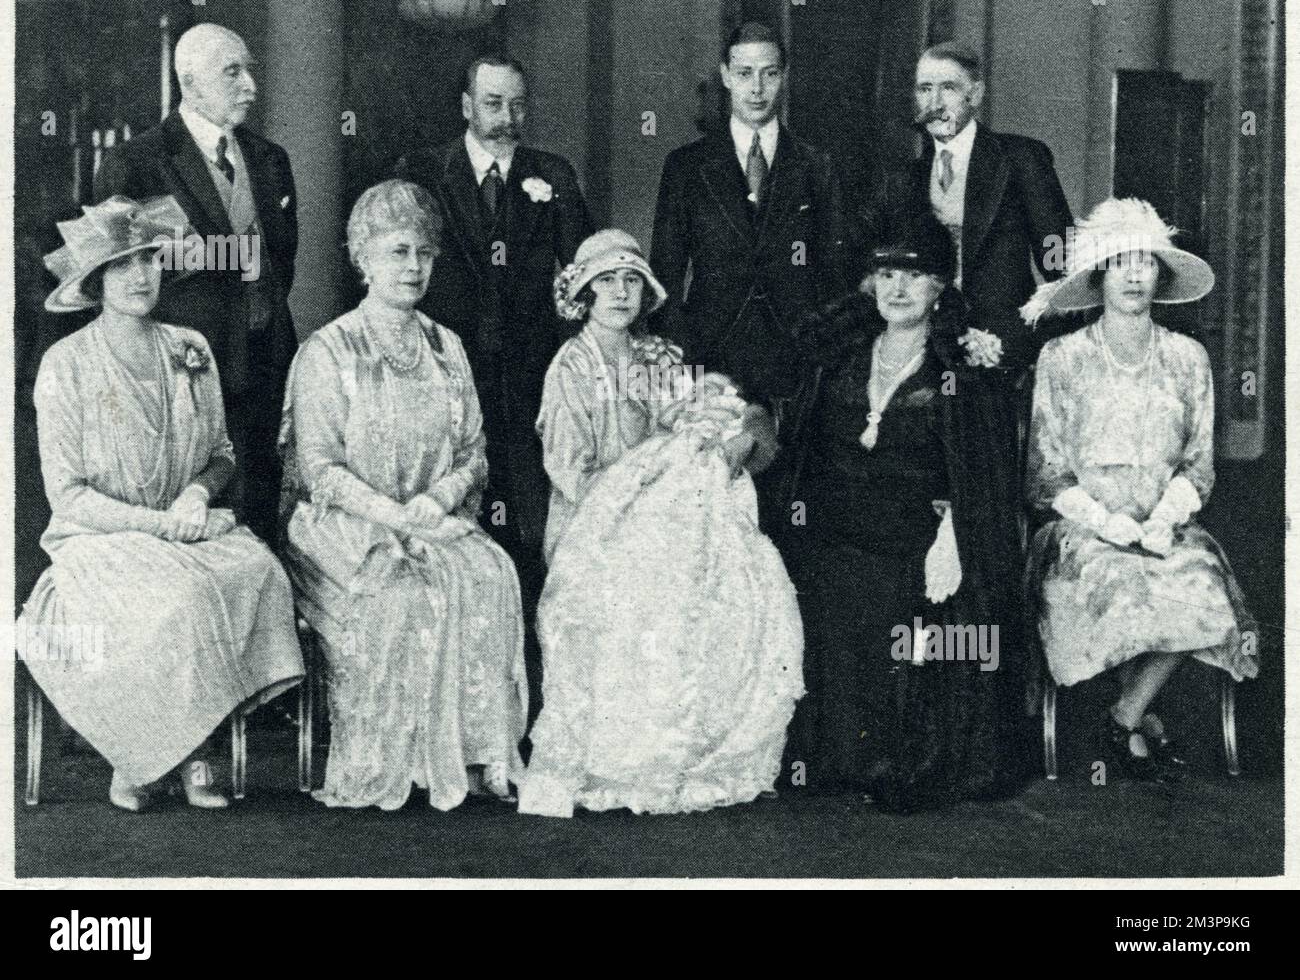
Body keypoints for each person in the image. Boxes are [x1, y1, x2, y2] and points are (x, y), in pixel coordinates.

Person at [16, 195, 304, 811]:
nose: (141, 275)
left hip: (184, 526)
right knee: (178, 596)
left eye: (149, 259)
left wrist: (199, 493)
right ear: (95, 281)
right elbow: (66, 496)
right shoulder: (64, 366)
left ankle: (200, 743)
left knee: (260, 572)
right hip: (99, 539)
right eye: (123, 266)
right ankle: (145, 754)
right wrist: (160, 525)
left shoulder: (188, 346)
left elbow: (224, 450)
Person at [517, 230, 804, 817]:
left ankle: (697, 745)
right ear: (583, 294)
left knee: (724, 566)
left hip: (670, 518)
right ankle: (625, 755)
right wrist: (639, 495)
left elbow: (695, 426)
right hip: (593, 523)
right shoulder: (570, 364)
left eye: (631, 282)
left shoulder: (662, 356)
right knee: (647, 577)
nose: (621, 293)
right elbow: (570, 471)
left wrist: (715, 442)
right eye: (607, 282)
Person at [279, 180, 528, 811]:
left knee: (490, 574)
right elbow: (320, 469)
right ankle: (395, 761)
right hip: (344, 525)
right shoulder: (327, 349)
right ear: (362, 258)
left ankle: (478, 756)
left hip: (429, 516)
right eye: (397, 251)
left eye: (423, 252)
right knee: (402, 592)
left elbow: (475, 450)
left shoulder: (448, 347)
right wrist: (392, 516)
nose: (413, 266)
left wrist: (438, 501)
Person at [787, 209, 1027, 810]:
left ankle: (894, 760)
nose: (897, 288)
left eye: (914, 277)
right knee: (824, 592)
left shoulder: (958, 369)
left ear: (939, 288)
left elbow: (979, 474)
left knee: (907, 614)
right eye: (886, 274)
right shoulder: (841, 358)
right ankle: (840, 759)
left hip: (920, 541)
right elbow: (807, 460)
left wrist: (953, 537)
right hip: (840, 534)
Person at [1022, 197, 1259, 777]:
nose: (1133, 273)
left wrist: (1162, 519)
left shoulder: (1187, 358)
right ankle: (1139, 723)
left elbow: (1198, 464)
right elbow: (1046, 470)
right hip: (1083, 531)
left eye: (1146, 262)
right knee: (1124, 590)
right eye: (1120, 260)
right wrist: (1106, 523)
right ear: (1100, 275)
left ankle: (1123, 717)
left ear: (1162, 274)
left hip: (1167, 527)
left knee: (1202, 590)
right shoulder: (1063, 358)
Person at [394, 55, 594, 589]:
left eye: (518, 104)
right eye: (493, 103)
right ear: (466, 106)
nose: (508, 116)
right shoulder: (422, 172)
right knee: (451, 494)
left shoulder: (552, 174)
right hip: (446, 363)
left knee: (524, 501)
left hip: (528, 365)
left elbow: (583, 269)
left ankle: (521, 615)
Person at [95, 23, 298, 547]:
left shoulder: (272, 161)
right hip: (184, 374)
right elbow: (120, 281)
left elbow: (281, 263)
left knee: (264, 510)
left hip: (268, 362)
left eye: (250, 69)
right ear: (189, 81)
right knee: (193, 520)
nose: (251, 85)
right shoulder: (137, 163)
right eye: (233, 72)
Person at [650, 21, 851, 525]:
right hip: (712, 353)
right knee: (713, 499)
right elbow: (665, 277)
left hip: (796, 354)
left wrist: (822, 347)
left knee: (793, 498)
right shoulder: (687, 166)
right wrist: (683, 359)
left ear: (785, 78)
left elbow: (835, 272)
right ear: (724, 76)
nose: (757, 88)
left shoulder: (816, 164)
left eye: (768, 74)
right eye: (744, 74)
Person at [870, 42, 1073, 371]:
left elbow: (1061, 262)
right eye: (925, 89)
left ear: (975, 95)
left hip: (1000, 348)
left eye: (948, 88)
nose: (934, 103)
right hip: (925, 350)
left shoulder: (1020, 160)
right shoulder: (906, 178)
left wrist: (1041, 344)